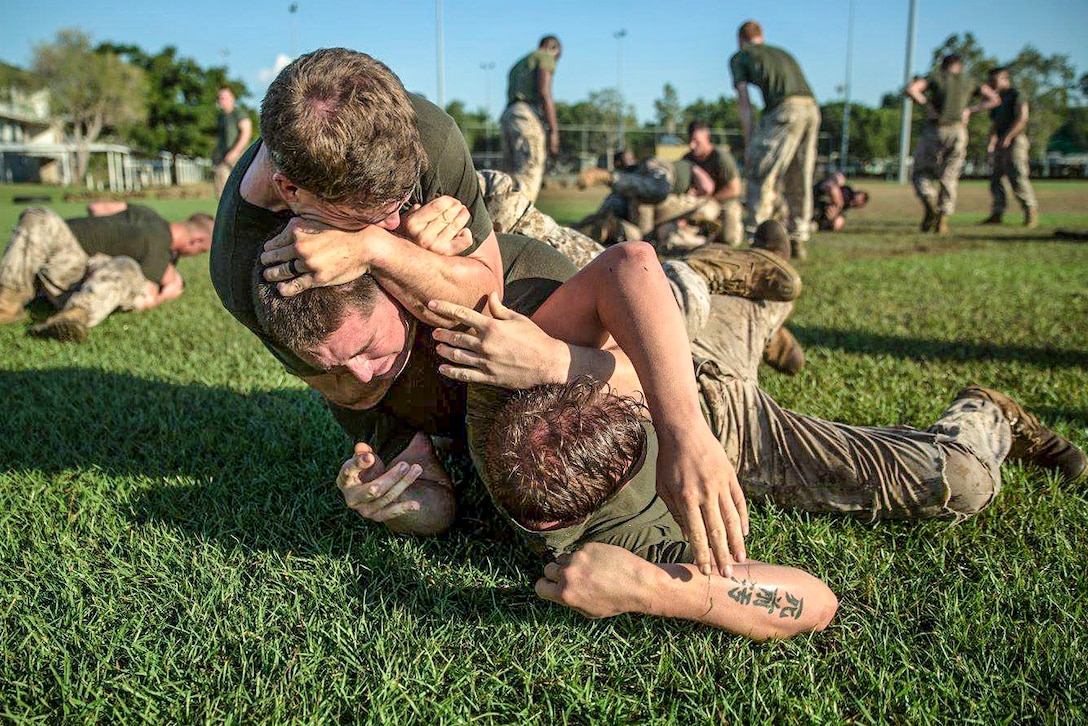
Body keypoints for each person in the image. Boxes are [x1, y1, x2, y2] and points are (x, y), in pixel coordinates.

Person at [0, 202, 213, 342]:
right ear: (196, 241)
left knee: (38, 215)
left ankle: (19, 302)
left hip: (55, 250)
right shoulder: (161, 250)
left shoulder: (146, 213)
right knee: (126, 266)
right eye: (199, 251)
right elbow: (145, 297)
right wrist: (168, 293)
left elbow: (96, 208)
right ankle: (14, 304)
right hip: (75, 271)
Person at [731, 20, 820, 259]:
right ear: (762, 35)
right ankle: (798, 236)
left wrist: (750, 141)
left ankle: (757, 239)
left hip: (784, 110)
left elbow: (745, 102)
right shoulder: (782, 53)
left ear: (741, 40)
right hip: (811, 108)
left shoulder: (741, 57)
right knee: (799, 175)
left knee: (761, 172)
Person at [904, 54, 1000, 234]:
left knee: (921, 172)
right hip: (958, 132)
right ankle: (943, 218)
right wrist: (970, 110)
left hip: (936, 130)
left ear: (943, 66)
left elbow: (912, 90)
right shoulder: (970, 80)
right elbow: (994, 99)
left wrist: (927, 106)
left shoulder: (936, 77)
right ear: (960, 66)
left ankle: (929, 200)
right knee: (949, 175)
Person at [575, 151, 720, 253]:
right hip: (659, 176)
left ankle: (594, 226)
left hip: (644, 200)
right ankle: (611, 177)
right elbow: (708, 187)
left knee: (641, 239)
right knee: (659, 189)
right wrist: (695, 194)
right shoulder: (689, 165)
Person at [500, 36, 562, 203]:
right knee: (528, 175)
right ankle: (520, 226)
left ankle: (502, 226)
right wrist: (554, 132)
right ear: (553, 48)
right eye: (557, 57)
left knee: (508, 181)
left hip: (509, 114)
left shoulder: (518, 64)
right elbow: (544, 92)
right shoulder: (545, 56)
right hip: (526, 116)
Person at [981, 67, 1038, 228]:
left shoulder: (1016, 95)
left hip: (1016, 140)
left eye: (994, 80)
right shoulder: (997, 98)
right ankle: (997, 214)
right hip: (1000, 141)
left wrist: (1008, 137)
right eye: (990, 81)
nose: (991, 84)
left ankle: (1030, 212)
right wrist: (991, 142)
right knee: (996, 179)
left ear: (1005, 79)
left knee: (1017, 176)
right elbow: (994, 123)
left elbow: (1022, 118)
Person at [684, 120, 744, 246]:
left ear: (707, 137)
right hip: (697, 202)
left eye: (696, 140)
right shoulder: (688, 159)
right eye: (690, 140)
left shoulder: (721, 158)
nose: (691, 145)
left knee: (730, 239)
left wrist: (710, 199)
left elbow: (735, 189)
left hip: (724, 203)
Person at [212, 86, 253, 200]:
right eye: (220, 98)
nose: (221, 100)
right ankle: (224, 216)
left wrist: (235, 151)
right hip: (223, 157)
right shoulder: (221, 116)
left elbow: (247, 132)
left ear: (232, 98)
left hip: (238, 157)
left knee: (241, 189)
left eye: (224, 97)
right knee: (221, 190)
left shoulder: (238, 113)